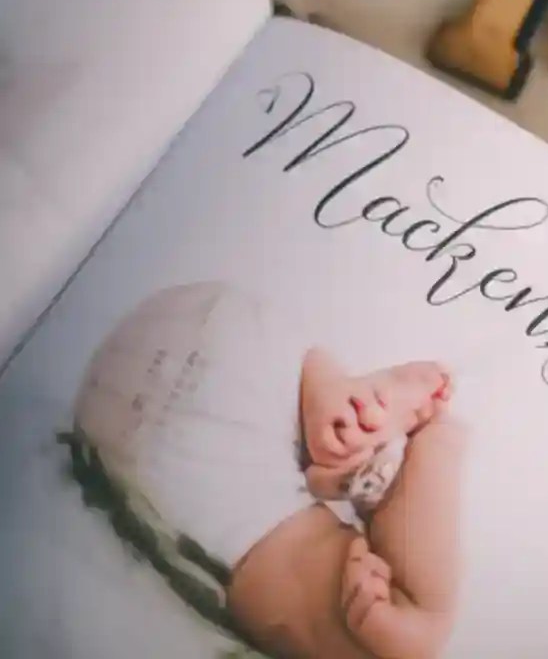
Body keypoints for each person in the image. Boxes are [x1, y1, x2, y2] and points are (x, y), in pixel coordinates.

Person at [69, 282, 467, 658]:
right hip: (144, 434)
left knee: (395, 618)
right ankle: (383, 439)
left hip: (207, 329)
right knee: (388, 620)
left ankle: (379, 425)